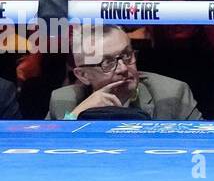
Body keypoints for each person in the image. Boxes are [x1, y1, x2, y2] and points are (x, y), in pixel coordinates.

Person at [47, 26, 201, 120]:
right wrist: (75, 116)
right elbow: (43, 156)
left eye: (127, 55)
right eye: (107, 62)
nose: (123, 68)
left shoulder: (171, 94)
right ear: (83, 75)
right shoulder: (63, 101)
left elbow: (204, 148)